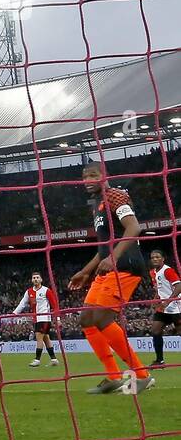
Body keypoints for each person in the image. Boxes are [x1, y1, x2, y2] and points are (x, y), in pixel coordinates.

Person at [68, 163, 154, 394]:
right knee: (86, 319)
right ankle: (114, 377)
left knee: (102, 319)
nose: (88, 180)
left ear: (104, 176)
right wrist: (85, 271)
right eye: (85, 177)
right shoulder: (96, 206)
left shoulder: (115, 195)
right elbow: (103, 248)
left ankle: (143, 376)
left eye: (93, 175)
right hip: (107, 267)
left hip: (125, 265)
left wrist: (114, 258)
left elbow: (133, 228)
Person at [12, 272, 60, 367]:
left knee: (39, 337)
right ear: (32, 280)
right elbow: (23, 303)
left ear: (41, 279)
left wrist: (57, 318)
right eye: (34, 278)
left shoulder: (46, 290)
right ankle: (54, 359)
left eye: (37, 277)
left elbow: (55, 305)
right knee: (46, 338)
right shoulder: (29, 292)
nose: (36, 279)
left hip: (44, 318)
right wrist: (14, 313)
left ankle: (37, 360)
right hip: (36, 319)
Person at [146, 248, 179, 369]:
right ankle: (159, 361)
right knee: (155, 330)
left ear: (163, 259)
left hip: (176, 306)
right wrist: (156, 300)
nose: (155, 259)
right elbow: (159, 289)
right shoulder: (152, 272)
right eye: (153, 257)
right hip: (163, 307)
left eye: (157, 257)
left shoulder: (168, 270)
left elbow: (179, 286)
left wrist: (168, 301)